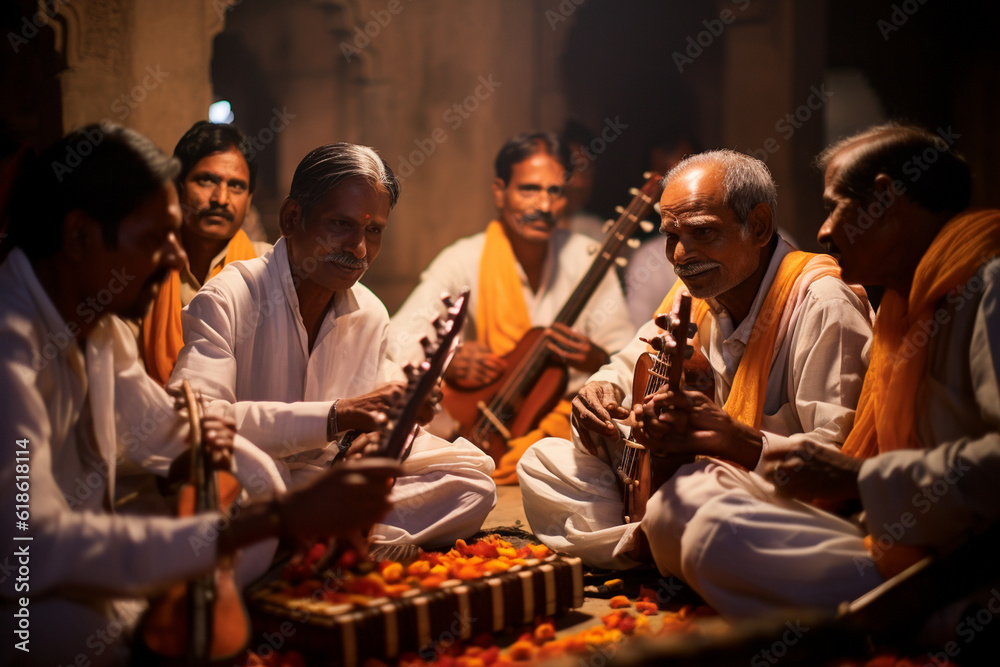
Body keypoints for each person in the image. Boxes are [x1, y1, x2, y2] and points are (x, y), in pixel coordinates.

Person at [0, 124, 398, 666]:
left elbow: (162, 428)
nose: (173, 259)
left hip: (93, 565)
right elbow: (31, 550)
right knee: (65, 630)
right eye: (153, 239)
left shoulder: (101, 326)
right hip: (25, 593)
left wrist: (265, 488)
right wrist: (279, 519)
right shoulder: (10, 348)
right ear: (79, 237)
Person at [626, 123, 999, 618]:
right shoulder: (907, 305)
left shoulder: (986, 285)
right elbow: (624, 361)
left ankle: (922, 616)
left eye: (833, 207)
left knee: (709, 532)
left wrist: (863, 478)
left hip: (960, 560)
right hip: (889, 528)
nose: (823, 232)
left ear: (885, 198)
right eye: (672, 236)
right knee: (687, 501)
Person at [517, 148, 873, 571]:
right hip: (692, 490)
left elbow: (834, 463)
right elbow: (629, 361)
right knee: (542, 461)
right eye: (672, 236)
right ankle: (651, 544)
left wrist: (735, 440)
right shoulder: (693, 296)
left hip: (771, 499)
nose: (681, 255)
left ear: (758, 226)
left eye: (703, 233)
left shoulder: (822, 303)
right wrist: (600, 389)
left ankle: (657, 545)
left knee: (700, 495)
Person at [169, 142, 496, 548]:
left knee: (471, 483)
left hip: (328, 485)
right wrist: (336, 416)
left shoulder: (370, 312)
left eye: (373, 230)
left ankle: (324, 543)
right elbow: (196, 424)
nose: (359, 249)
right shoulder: (229, 298)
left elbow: (366, 428)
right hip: (256, 489)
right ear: (292, 217)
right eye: (341, 224)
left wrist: (380, 432)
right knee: (248, 479)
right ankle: (335, 542)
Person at [388, 131, 635, 484]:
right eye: (529, 189)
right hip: (475, 425)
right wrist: (449, 358)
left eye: (555, 191)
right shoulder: (464, 259)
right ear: (500, 192)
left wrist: (594, 358)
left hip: (563, 429)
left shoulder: (587, 257)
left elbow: (624, 358)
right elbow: (398, 339)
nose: (544, 206)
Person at [140, 120, 270, 386]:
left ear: (249, 200)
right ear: (177, 187)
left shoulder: (268, 268)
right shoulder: (141, 268)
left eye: (236, 186)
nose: (220, 198)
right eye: (207, 180)